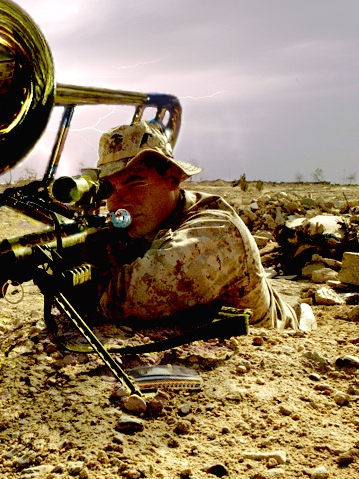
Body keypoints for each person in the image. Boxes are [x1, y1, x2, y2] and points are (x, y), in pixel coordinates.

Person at [68, 120, 304, 331]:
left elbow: (125, 300)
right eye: (109, 189)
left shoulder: (218, 231)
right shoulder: (138, 220)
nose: (119, 201)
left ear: (172, 178)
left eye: (135, 183)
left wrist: (71, 272)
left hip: (280, 330)